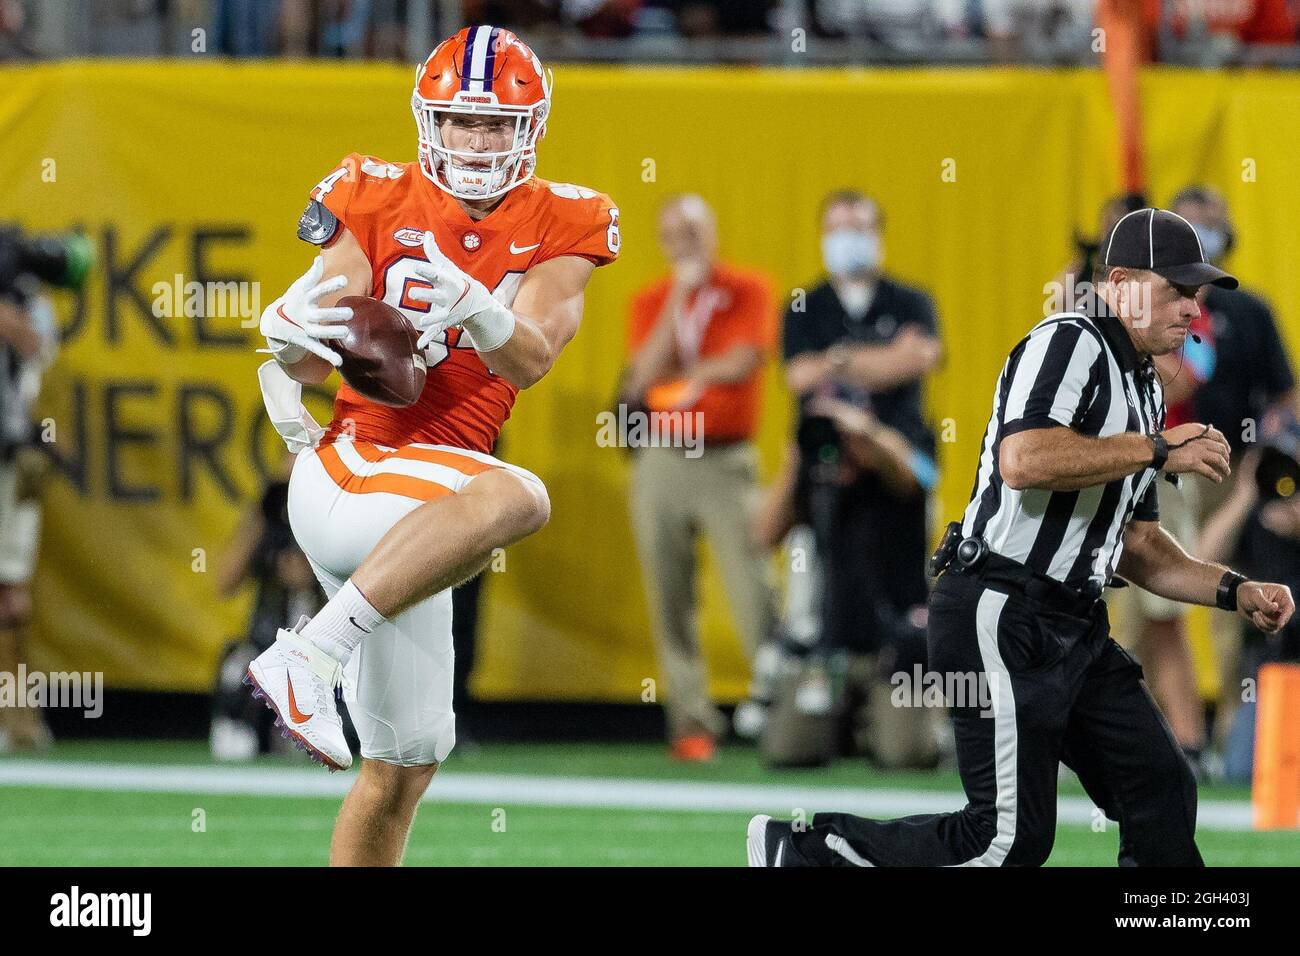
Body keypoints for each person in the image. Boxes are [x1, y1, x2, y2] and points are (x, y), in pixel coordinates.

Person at [748, 208, 1295, 867]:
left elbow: (1139, 547)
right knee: (1005, 841)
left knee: (1160, 786)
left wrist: (1235, 589)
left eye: (1197, 291)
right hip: (1001, 607)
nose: (1191, 306)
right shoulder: (1070, 340)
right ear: (1119, 282)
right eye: (1174, 288)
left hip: (1073, 620)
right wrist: (1154, 449)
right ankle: (809, 853)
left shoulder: (1144, 384)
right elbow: (1024, 459)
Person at [248, 25, 620, 866]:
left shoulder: (566, 218)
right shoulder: (371, 193)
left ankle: (316, 651)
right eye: (460, 122)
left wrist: (481, 308)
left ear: (530, 129)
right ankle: (309, 652)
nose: (477, 140)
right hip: (354, 467)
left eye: (495, 125)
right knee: (517, 495)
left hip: (417, 509)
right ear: (430, 124)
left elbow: (531, 358)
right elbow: (324, 341)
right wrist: (284, 337)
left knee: (399, 771)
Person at [620, 194, 779, 761]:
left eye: (692, 228)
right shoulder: (651, 299)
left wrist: (689, 375)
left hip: (726, 458)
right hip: (662, 457)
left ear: (712, 232)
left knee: (752, 589)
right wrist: (680, 298)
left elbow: (744, 361)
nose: (682, 239)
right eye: (671, 232)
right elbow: (640, 378)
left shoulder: (748, 288)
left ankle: (780, 714)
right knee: (670, 594)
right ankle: (691, 723)